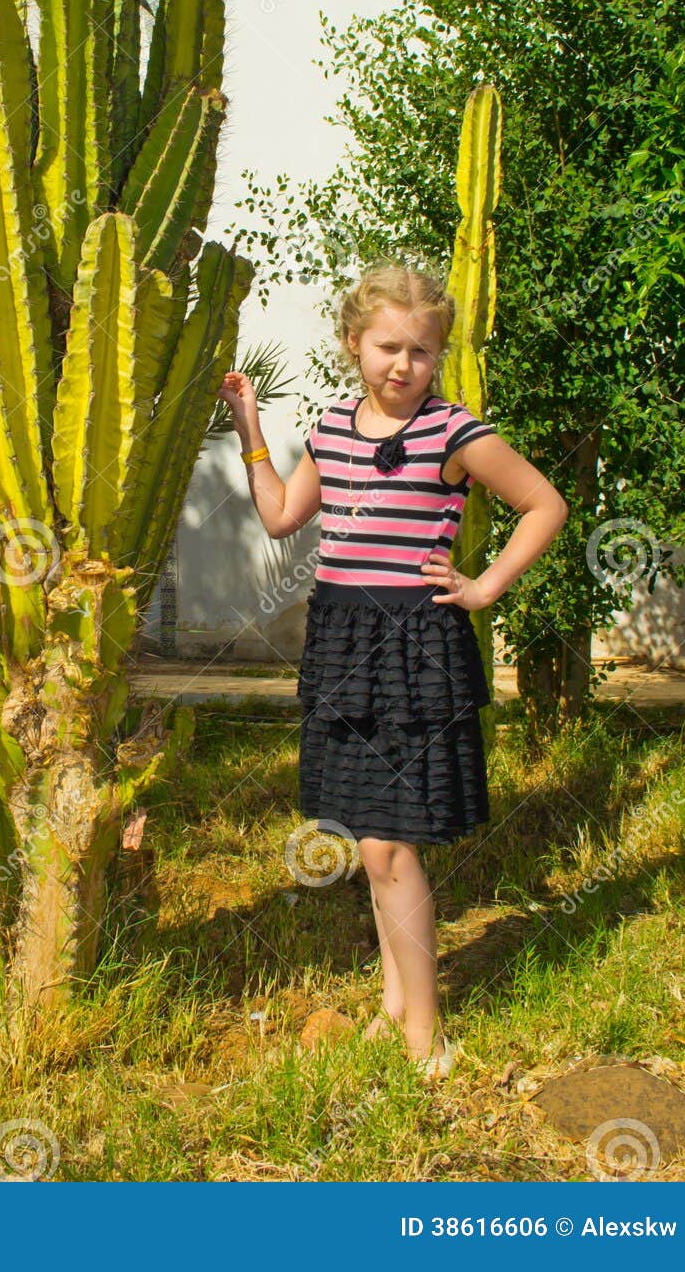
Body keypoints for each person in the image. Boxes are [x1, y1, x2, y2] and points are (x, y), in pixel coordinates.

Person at [217, 263, 568, 1080]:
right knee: (371, 841)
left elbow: (543, 503)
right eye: (386, 348)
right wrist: (248, 428)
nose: (401, 365)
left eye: (420, 351)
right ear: (353, 344)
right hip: (340, 642)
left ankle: (426, 1041)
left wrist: (483, 586)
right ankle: (393, 1007)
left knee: (388, 849)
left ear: (437, 355)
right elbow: (279, 518)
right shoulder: (333, 426)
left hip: (415, 649)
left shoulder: (455, 432)